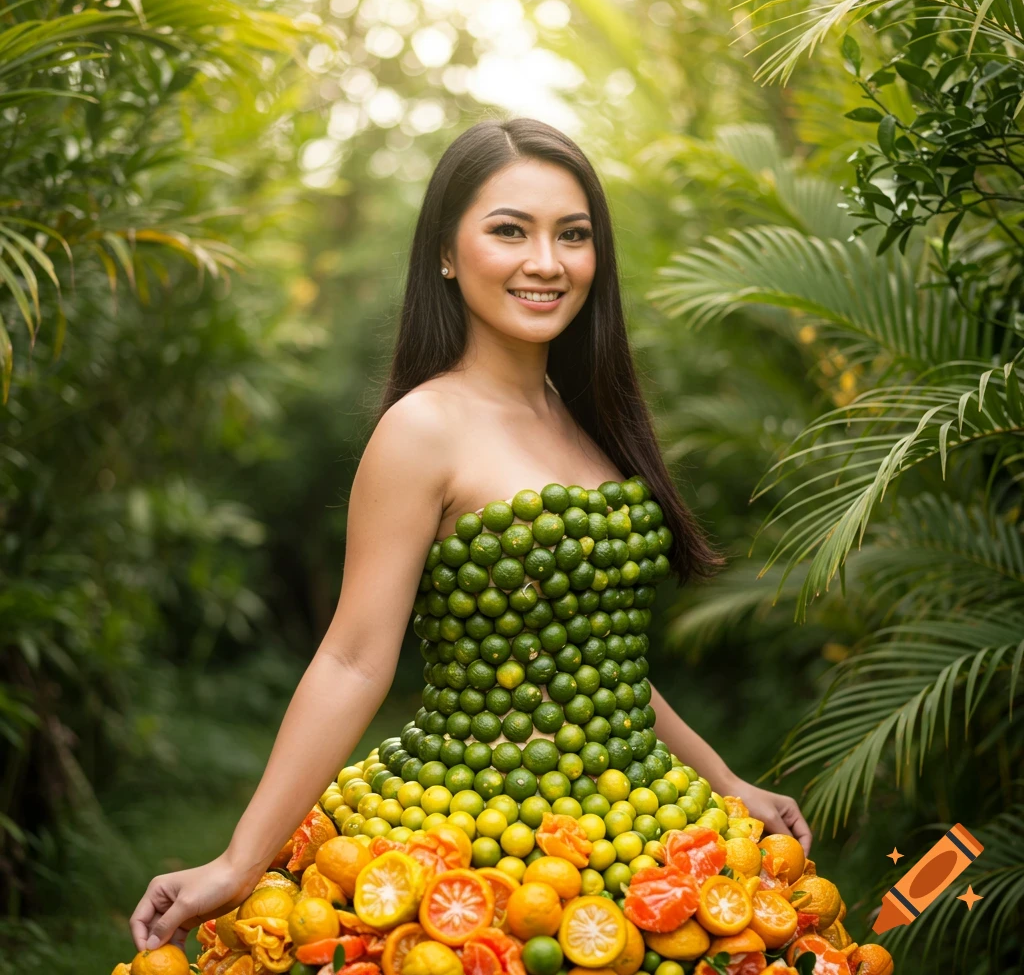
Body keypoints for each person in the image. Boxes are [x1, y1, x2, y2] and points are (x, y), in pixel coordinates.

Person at [130, 116, 812, 952]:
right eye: (508, 231)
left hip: (633, 838)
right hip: (469, 851)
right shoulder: (422, 429)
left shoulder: (590, 420)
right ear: (446, 254)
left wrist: (726, 782)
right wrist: (240, 862)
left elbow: (594, 666)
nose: (546, 263)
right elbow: (352, 658)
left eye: (573, 235)